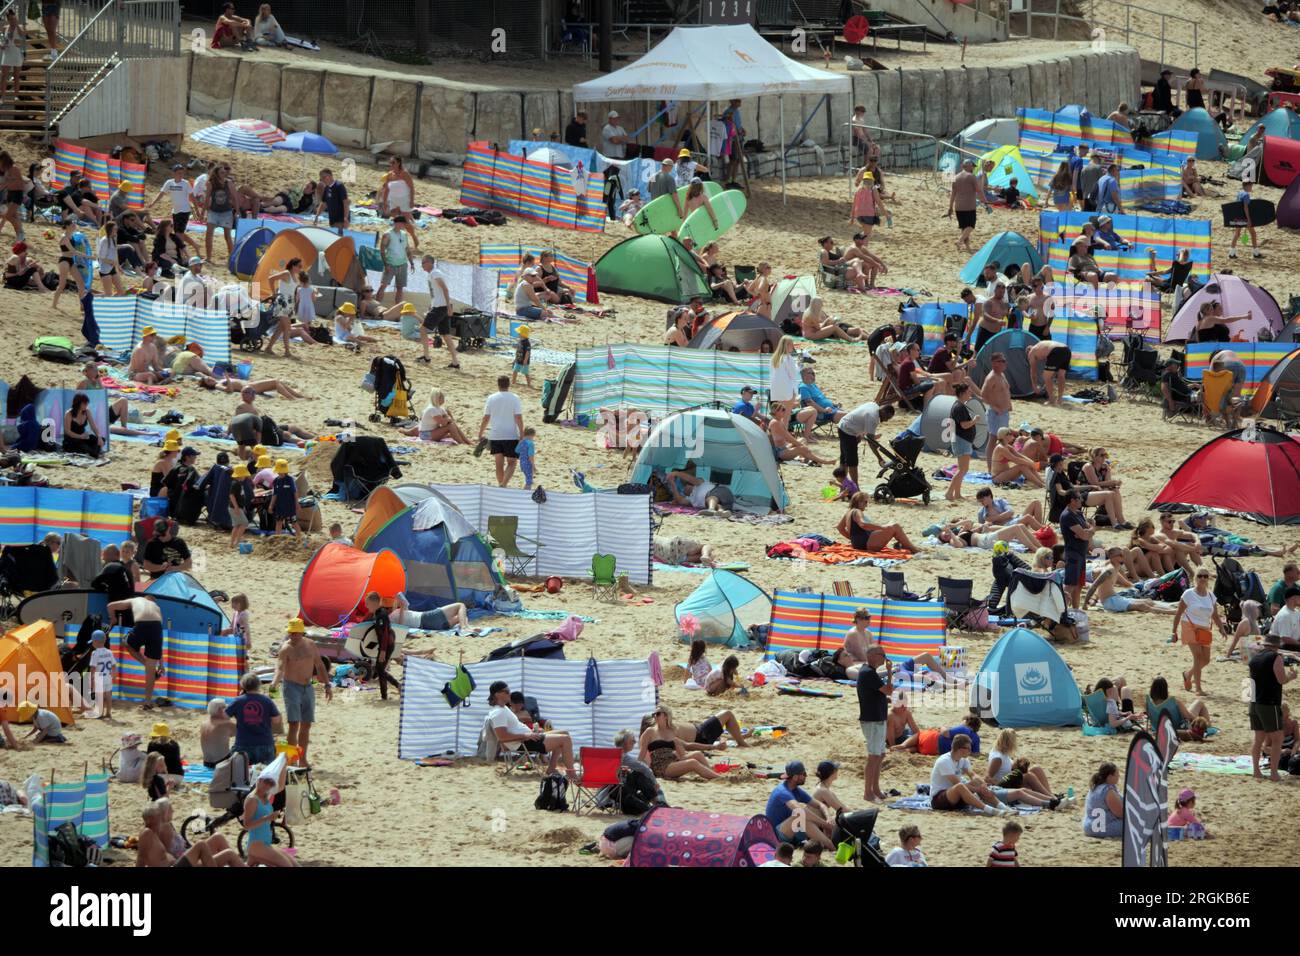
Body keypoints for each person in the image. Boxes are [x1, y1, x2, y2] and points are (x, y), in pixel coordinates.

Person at [272, 618, 331, 767]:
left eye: (296, 633)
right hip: (291, 687)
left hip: (307, 687)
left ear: (301, 632)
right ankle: (292, 760)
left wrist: (327, 685)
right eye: (291, 633)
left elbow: (319, 665)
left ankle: (303, 759)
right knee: (294, 724)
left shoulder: (310, 645)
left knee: (306, 724)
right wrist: (274, 683)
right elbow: (280, 668)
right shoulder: (286, 649)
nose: (293, 636)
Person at [137, 799, 243, 868]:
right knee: (201, 845)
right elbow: (141, 858)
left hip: (178, 863)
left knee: (228, 853)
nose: (161, 821)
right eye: (158, 818)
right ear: (151, 820)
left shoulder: (154, 833)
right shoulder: (147, 833)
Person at [1171, 568, 1226, 697]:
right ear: (1195, 578)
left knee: (1206, 660)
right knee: (1198, 656)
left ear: (1208, 579)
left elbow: (1215, 616)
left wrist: (1221, 628)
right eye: (1200, 576)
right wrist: (1173, 632)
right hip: (1189, 625)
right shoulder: (1188, 594)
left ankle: (1188, 675)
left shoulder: (1211, 596)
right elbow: (1178, 613)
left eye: (1205, 576)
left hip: (1204, 628)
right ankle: (1198, 688)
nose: (1202, 578)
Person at [1249, 633, 1296, 781]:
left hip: (1254, 701)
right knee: (1278, 737)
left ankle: (1256, 771)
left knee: (1258, 738)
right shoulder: (1275, 658)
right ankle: (1274, 773)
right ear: (1276, 647)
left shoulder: (1254, 658)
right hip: (1269, 702)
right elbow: (1281, 679)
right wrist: (1291, 676)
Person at [107, 595, 166, 707]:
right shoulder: (157, 608)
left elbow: (110, 606)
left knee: (125, 642)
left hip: (142, 625)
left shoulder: (135, 600)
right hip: (156, 628)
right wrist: (161, 664)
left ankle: (146, 664)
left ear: (145, 598)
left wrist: (113, 618)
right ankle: (147, 702)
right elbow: (159, 641)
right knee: (150, 669)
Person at [931, 734, 1010, 815]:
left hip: (955, 796)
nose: (970, 751)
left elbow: (972, 774)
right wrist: (978, 790)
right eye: (968, 748)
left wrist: (983, 784)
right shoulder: (944, 761)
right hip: (939, 800)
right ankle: (990, 810)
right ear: (960, 749)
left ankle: (1002, 807)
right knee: (960, 786)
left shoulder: (963, 759)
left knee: (977, 782)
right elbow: (957, 783)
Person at [765, 761, 835, 849]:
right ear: (795, 777)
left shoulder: (795, 789)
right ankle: (831, 845)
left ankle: (827, 838)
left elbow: (821, 805)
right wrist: (825, 824)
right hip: (778, 835)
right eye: (804, 773)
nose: (806, 776)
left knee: (818, 809)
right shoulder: (782, 792)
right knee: (800, 817)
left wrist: (828, 818)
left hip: (792, 831)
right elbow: (800, 811)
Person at [1085, 549, 1179, 614]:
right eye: (1120, 555)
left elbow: (1126, 584)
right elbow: (1095, 585)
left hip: (1115, 598)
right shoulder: (1108, 570)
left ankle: (1173, 607)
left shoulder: (1115, 569)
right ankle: (1174, 612)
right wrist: (1086, 603)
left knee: (1147, 601)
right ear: (1113, 558)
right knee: (1143, 606)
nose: (1123, 557)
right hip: (1110, 602)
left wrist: (1137, 586)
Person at [242, 762, 296, 867]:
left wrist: (284, 764)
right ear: (259, 779)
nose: (268, 786)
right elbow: (247, 825)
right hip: (256, 846)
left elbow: (280, 786)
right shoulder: (252, 800)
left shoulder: (266, 796)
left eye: (271, 783)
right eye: (266, 782)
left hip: (266, 844)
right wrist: (267, 818)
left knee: (294, 863)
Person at [857, 644, 893, 802]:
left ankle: (876, 788)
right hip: (872, 720)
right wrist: (890, 672)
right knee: (873, 757)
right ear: (872, 655)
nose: (884, 658)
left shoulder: (869, 672)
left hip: (877, 718)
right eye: (882, 655)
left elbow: (881, 692)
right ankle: (867, 792)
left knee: (880, 755)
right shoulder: (868, 673)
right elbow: (888, 689)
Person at [226, 672, 282, 765]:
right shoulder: (267, 700)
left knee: (242, 774)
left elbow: (224, 716)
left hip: (243, 743)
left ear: (243, 686)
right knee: (266, 775)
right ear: (258, 685)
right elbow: (276, 720)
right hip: (265, 742)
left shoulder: (237, 701)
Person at [478, 375, 524, 488]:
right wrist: (522, 434)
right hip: (511, 435)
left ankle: (501, 485)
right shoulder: (515, 398)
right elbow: (518, 417)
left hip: (495, 435)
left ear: (498, 384)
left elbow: (486, 418)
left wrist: (480, 433)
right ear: (509, 384)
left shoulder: (491, 398)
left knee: (499, 465)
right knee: (512, 463)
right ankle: (503, 484)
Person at [839, 492, 922, 553]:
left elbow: (840, 528)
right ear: (859, 501)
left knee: (891, 524)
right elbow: (863, 524)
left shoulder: (848, 512)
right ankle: (913, 549)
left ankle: (905, 545)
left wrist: (852, 538)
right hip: (867, 544)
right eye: (865, 502)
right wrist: (881, 527)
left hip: (858, 544)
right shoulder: (857, 511)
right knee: (895, 526)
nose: (866, 505)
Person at [986, 729, 1054, 799]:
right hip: (1006, 785)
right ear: (1009, 742)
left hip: (1012, 779)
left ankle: (1050, 794)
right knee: (1028, 776)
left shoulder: (1002, 752)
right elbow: (987, 778)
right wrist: (1000, 782)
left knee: (1037, 769)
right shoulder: (998, 758)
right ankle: (1051, 798)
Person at [946, 381, 980, 501]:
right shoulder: (959, 407)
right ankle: (950, 493)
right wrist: (975, 420)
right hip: (962, 440)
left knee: (963, 469)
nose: (970, 393)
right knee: (963, 469)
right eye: (968, 392)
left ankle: (957, 494)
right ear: (962, 393)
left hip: (962, 440)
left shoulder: (959, 405)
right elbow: (964, 425)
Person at [668, 461, 736, 513]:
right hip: (726, 505)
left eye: (684, 487)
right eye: (683, 490)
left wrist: (676, 473)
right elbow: (680, 500)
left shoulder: (699, 483)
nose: (683, 490)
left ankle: (711, 509)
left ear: (690, 485)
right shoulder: (691, 499)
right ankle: (721, 511)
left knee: (711, 497)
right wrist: (672, 484)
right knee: (714, 503)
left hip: (722, 492)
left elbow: (689, 479)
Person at [50, 218, 88, 311]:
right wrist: (89, 257)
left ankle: (82, 306)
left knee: (81, 284)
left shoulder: (72, 236)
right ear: (67, 226)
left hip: (71, 261)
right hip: (64, 261)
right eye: (72, 224)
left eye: (74, 224)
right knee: (62, 285)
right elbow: (73, 251)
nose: (74, 226)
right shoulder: (64, 237)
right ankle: (54, 305)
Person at [376, 220, 413, 304]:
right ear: (396, 223)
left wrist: (411, 262)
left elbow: (407, 248)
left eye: (403, 223)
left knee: (400, 288)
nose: (402, 224)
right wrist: (386, 265)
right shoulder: (387, 234)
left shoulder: (404, 234)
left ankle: (397, 310)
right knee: (383, 285)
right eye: (401, 223)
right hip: (390, 264)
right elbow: (382, 250)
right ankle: (376, 306)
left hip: (402, 264)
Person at [1083, 762, 1124, 838]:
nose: (1119, 776)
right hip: (1101, 827)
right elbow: (1120, 813)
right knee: (1136, 825)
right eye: (1117, 774)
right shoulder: (1108, 791)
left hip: (1089, 826)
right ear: (1110, 776)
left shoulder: (1095, 787)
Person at [947, 159, 979, 252]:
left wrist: (950, 207)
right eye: (973, 166)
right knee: (970, 226)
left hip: (958, 207)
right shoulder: (971, 176)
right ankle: (959, 241)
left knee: (964, 229)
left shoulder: (956, 177)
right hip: (969, 206)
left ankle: (968, 247)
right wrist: (985, 202)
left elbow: (953, 194)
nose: (973, 168)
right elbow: (979, 190)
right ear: (969, 166)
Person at [1228, 178, 1262, 260]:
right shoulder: (1246, 195)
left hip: (1238, 217)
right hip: (1244, 218)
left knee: (1237, 234)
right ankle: (1256, 253)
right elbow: (1245, 208)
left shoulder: (1240, 193)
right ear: (1248, 185)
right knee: (1253, 233)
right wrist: (1249, 219)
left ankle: (1231, 253)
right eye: (1251, 186)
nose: (1251, 188)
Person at [61, 392, 102, 458]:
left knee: (100, 440)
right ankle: (93, 451)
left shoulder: (87, 411)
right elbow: (67, 431)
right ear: (78, 403)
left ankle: (92, 451)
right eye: (85, 403)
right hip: (72, 438)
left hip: (83, 437)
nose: (86, 405)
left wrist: (99, 437)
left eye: (87, 403)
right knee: (86, 447)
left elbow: (93, 426)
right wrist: (80, 436)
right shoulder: (69, 414)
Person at [314, 167, 350, 232]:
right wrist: (317, 216)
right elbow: (323, 204)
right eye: (321, 179)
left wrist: (345, 218)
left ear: (330, 176)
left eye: (324, 177)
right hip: (332, 219)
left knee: (339, 237)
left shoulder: (339, 186)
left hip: (341, 219)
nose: (322, 180)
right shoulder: (326, 188)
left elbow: (346, 203)